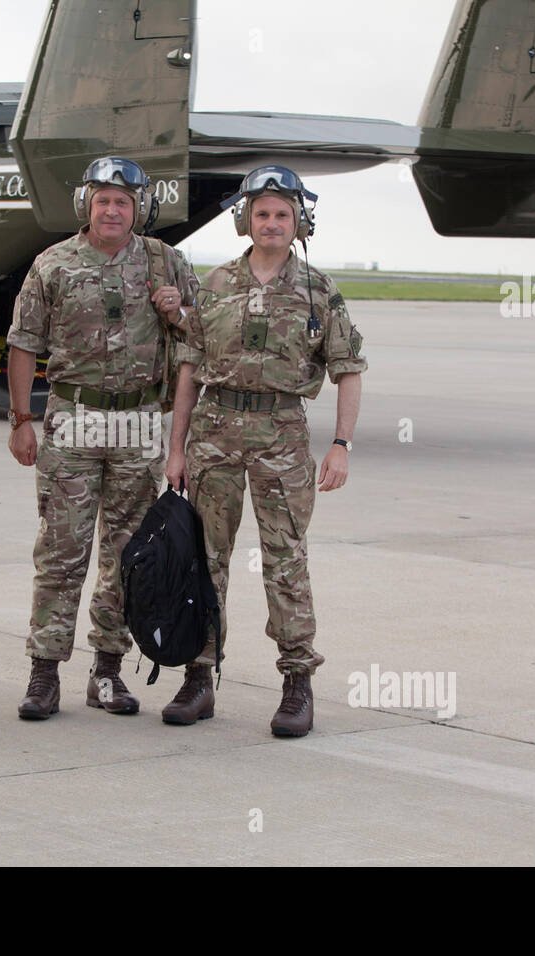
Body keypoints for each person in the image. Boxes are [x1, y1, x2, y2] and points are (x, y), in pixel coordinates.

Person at [164, 165, 367, 737]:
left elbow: (348, 369)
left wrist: (340, 445)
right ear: (244, 221)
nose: (272, 223)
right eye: (262, 214)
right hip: (214, 435)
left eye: (282, 214)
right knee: (206, 560)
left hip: (281, 434)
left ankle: (297, 683)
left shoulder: (318, 291)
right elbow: (189, 370)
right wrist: (176, 449)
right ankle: (199, 677)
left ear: (299, 220)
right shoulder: (216, 285)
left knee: (286, 563)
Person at [6, 156, 198, 720]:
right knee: (62, 551)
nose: (111, 209)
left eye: (123, 201)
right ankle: (44, 674)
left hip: (139, 423)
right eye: (102, 199)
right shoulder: (54, 264)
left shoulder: (166, 262)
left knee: (128, 556)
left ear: (140, 208)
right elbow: (22, 344)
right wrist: (21, 420)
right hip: (72, 419)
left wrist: (179, 310)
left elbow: (204, 333)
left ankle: (108, 671)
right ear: (85, 205)